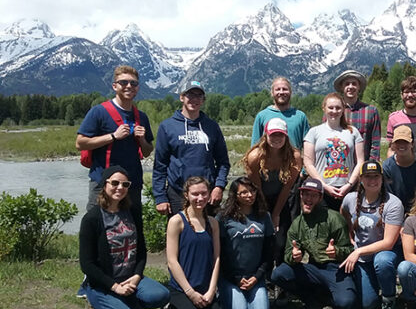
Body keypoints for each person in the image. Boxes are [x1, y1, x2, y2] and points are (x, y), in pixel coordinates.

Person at [79, 165, 170, 309]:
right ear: (104, 185)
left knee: (162, 295)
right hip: (103, 285)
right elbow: (87, 264)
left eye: (125, 184)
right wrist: (114, 287)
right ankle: (100, 307)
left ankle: (126, 306)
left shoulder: (133, 212)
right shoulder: (92, 219)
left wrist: (136, 276)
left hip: (130, 278)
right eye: (114, 183)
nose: (120, 188)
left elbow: (141, 250)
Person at [270, 178, 360, 309]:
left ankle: (331, 297)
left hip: (336, 269)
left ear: (320, 198)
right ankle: (312, 300)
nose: (308, 199)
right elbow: (288, 254)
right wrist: (294, 256)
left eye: (313, 195)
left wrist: (336, 251)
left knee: (346, 304)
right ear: (300, 196)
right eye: (305, 194)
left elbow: (350, 250)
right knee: (278, 274)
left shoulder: (334, 218)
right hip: (313, 268)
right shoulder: (297, 224)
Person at [76, 65, 153, 211]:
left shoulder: (141, 117)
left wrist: (142, 140)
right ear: (114, 86)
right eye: (123, 82)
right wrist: (113, 136)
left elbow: (148, 151)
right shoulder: (99, 112)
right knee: (96, 226)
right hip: (103, 182)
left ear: (138, 88)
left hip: (131, 183)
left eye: (134, 83)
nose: (129, 86)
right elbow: (80, 143)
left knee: (132, 227)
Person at [340, 160, 405, 309]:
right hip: (364, 256)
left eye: (376, 176)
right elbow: (344, 213)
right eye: (368, 177)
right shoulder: (350, 199)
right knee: (368, 303)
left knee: (382, 261)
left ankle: (390, 301)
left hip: (387, 252)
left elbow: (388, 243)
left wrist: (358, 252)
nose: (372, 181)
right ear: (360, 179)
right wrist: (350, 231)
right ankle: (378, 287)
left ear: (382, 179)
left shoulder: (393, 203)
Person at [153, 81, 230, 215]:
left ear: (203, 100)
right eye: (190, 95)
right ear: (182, 97)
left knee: (209, 233)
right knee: (179, 233)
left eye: (198, 96)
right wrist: (160, 197)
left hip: (207, 194)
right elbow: (160, 165)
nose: (194, 99)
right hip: (178, 193)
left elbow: (223, 162)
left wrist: (219, 186)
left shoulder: (212, 127)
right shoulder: (167, 126)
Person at [166, 177, 222, 309]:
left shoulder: (212, 223)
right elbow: (172, 261)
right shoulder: (176, 221)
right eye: (195, 194)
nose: (200, 198)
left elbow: (217, 257)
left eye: (204, 193)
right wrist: (190, 292)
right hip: (183, 289)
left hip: (205, 288)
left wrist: (212, 290)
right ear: (186, 195)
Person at [243, 118, 302, 265]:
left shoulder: (294, 157)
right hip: (260, 197)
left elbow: (287, 187)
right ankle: (264, 275)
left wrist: (276, 214)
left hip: (282, 198)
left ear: (286, 136)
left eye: (280, 135)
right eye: (273, 135)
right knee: (263, 238)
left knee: (282, 240)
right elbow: (257, 187)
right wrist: (267, 213)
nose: (276, 139)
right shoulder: (255, 157)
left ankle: (282, 275)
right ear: (266, 136)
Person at [217, 177, 274, 309]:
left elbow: (269, 251)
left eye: (252, 191)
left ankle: (248, 297)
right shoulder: (224, 218)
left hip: (255, 276)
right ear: (235, 195)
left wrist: (257, 277)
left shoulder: (264, 216)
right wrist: (235, 278)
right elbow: (220, 253)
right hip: (231, 276)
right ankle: (224, 296)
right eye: (244, 192)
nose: (249, 195)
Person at [303, 92, 364, 212]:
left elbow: (360, 161)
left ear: (343, 110)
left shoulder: (353, 132)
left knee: (347, 226)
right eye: (331, 107)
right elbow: (308, 162)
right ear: (324, 108)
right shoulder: (314, 132)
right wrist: (324, 186)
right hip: (321, 190)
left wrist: (349, 185)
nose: (334, 111)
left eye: (338, 108)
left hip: (347, 189)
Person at [333, 70, 381, 161]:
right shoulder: (333, 111)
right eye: (347, 84)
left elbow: (375, 143)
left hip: (363, 166)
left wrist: (371, 165)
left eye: (354, 84)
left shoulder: (371, 111)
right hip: (339, 165)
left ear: (359, 87)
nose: (350, 87)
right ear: (342, 87)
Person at [382, 125, 416, 211]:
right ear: (393, 145)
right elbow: (388, 197)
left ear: (412, 144)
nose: (401, 145)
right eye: (398, 142)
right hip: (394, 210)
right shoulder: (387, 167)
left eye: (405, 142)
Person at [251, 77, 310, 149]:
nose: (281, 92)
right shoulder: (262, 116)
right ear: (272, 93)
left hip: (294, 159)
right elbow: (254, 147)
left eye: (285, 89)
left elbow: (308, 147)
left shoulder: (300, 116)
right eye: (278, 89)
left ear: (290, 92)